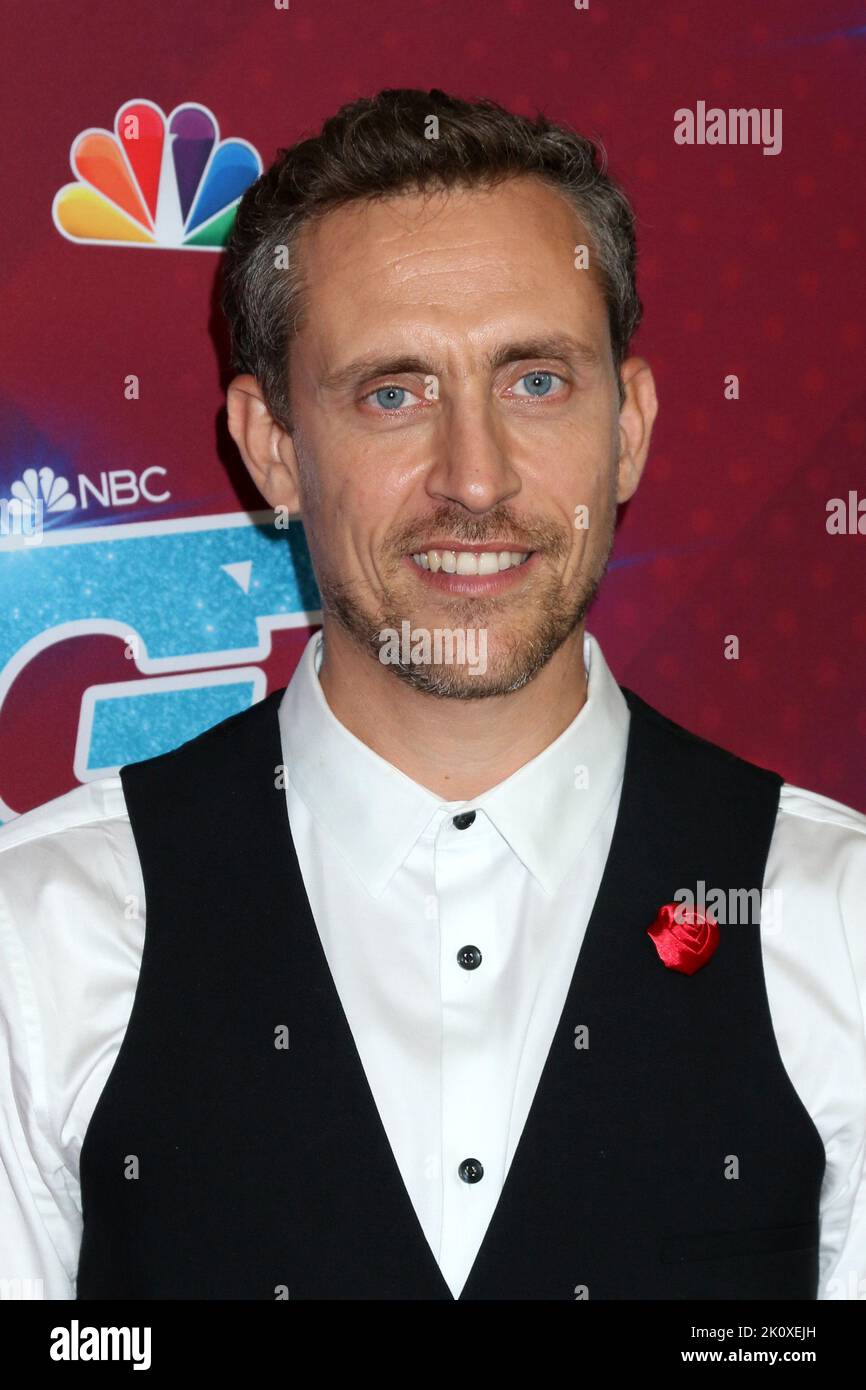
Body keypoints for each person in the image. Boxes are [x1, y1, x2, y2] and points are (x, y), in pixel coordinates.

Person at [1, 88, 863, 1301]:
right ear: (273, 446)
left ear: (629, 428)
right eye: (392, 392)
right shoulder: (39, 936)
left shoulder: (837, 922)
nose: (473, 477)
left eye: (534, 383)